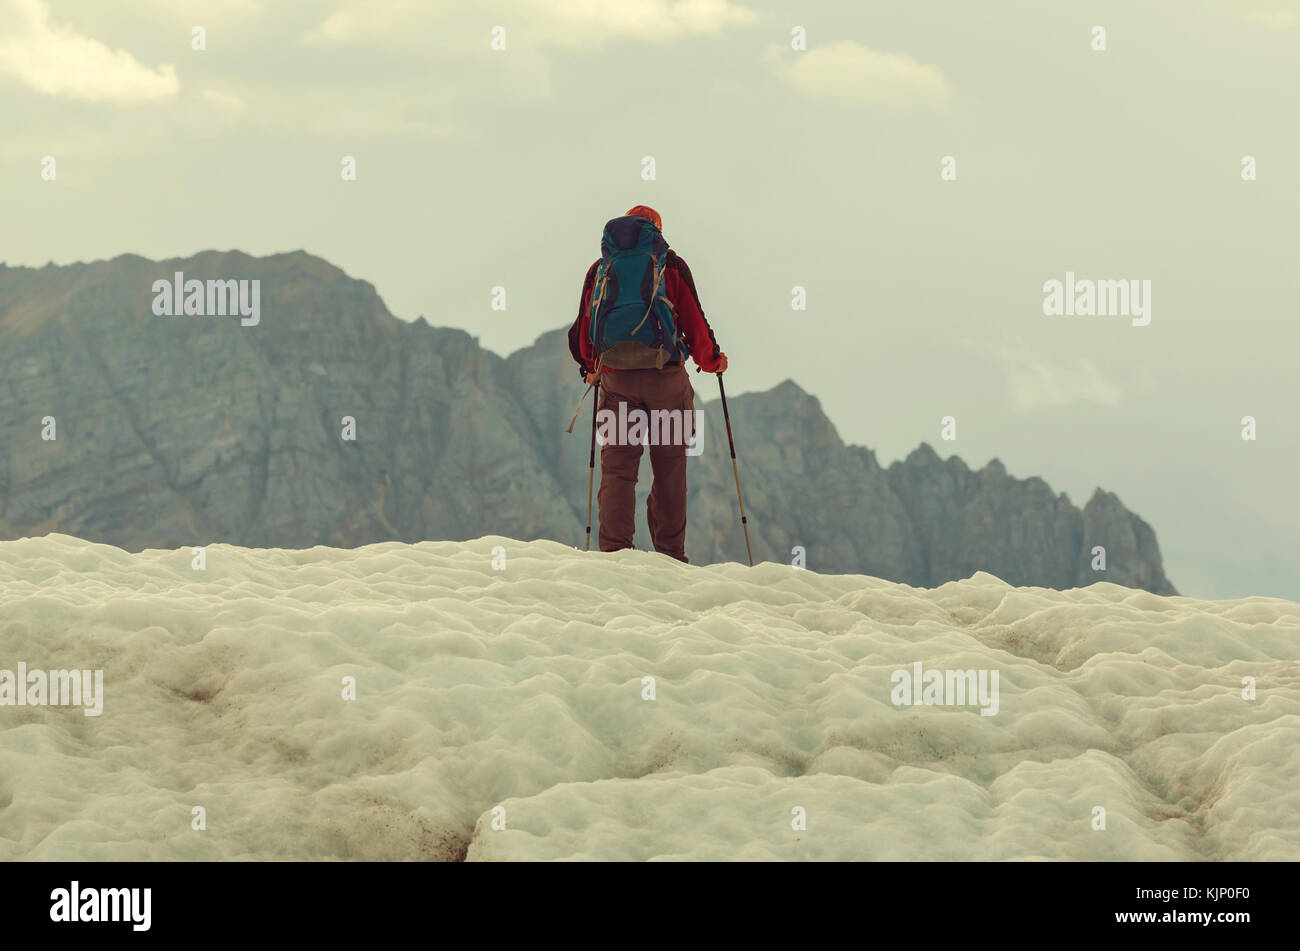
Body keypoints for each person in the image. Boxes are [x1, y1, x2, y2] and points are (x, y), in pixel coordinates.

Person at [567, 205, 727, 563]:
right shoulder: (670, 265)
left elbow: (582, 332)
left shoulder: (600, 270)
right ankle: (670, 556)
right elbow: (695, 323)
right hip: (665, 380)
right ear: (655, 231)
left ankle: (614, 552)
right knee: (670, 468)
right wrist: (713, 361)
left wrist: (592, 366)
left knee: (619, 469)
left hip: (615, 381)